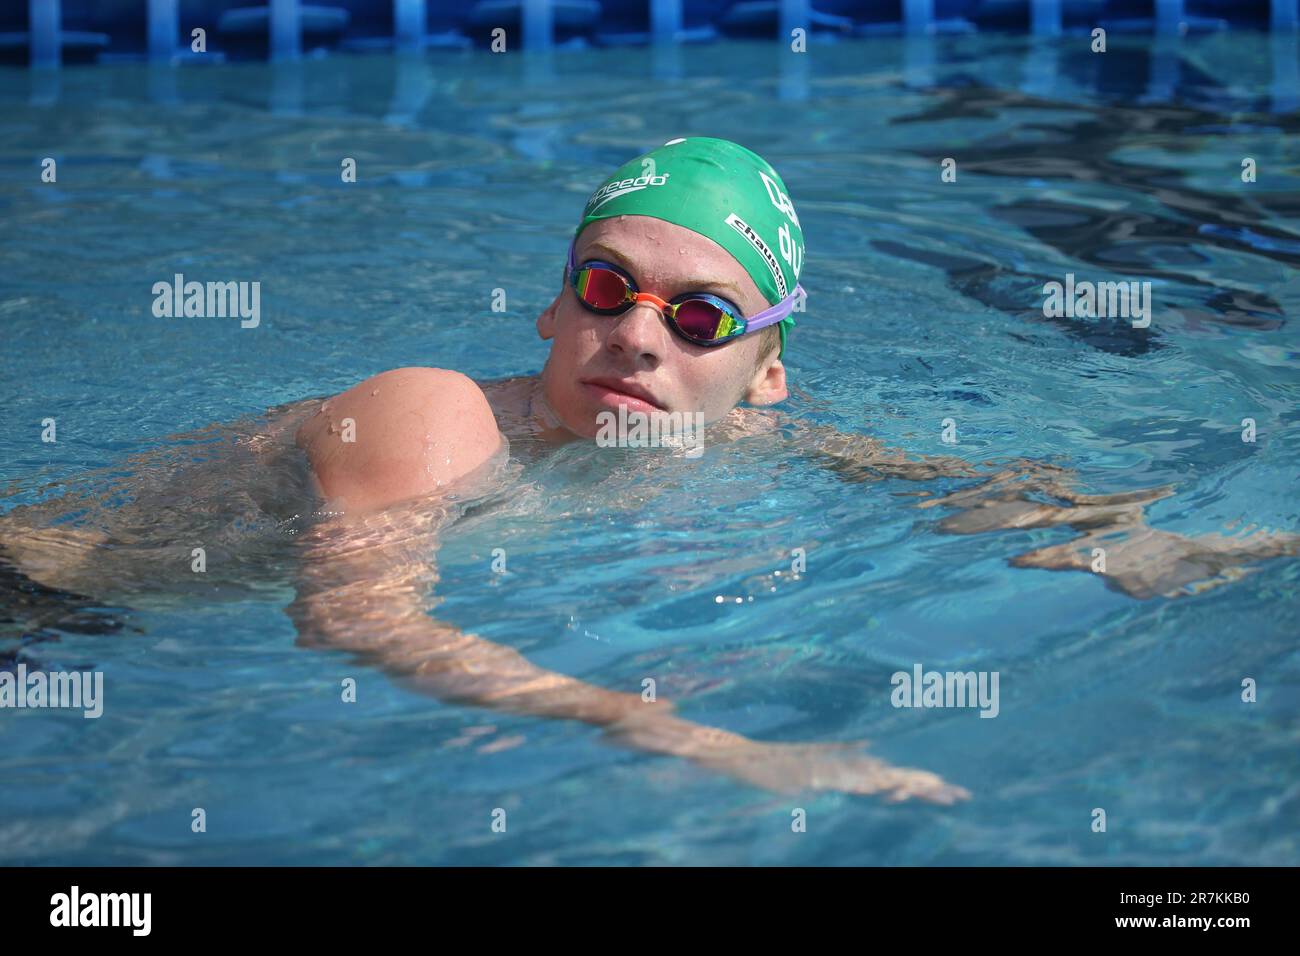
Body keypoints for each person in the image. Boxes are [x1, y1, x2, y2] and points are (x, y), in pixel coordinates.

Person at [3, 138, 1294, 802]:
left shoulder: (713, 425)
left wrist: (1131, 545)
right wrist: (685, 738)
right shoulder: (430, 416)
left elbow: (915, 482)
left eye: (700, 319)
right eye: (609, 288)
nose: (637, 336)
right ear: (553, 310)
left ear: (764, 378)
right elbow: (351, 616)